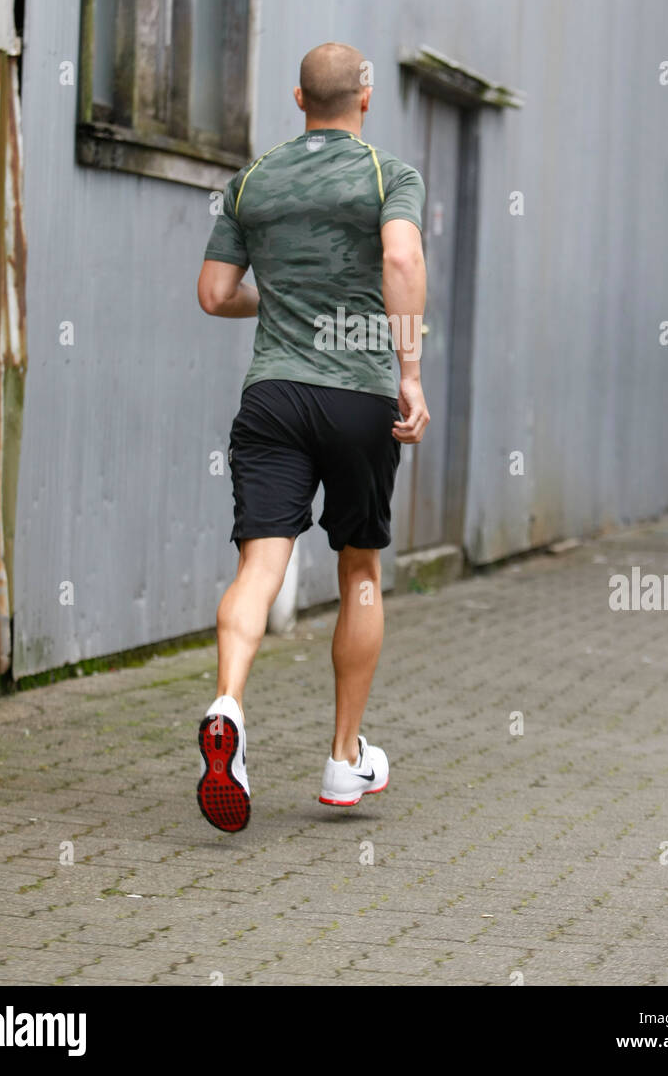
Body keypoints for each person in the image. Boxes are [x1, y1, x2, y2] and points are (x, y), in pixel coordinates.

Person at [195, 42, 429, 832]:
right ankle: (342, 758)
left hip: (272, 398)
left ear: (298, 99)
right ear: (366, 97)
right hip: (359, 398)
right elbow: (401, 257)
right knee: (358, 567)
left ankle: (228, 704)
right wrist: (410, 372)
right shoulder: (388, 176)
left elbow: (214, 293)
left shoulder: (251, 180)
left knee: (260, 564)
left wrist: (284, 298)